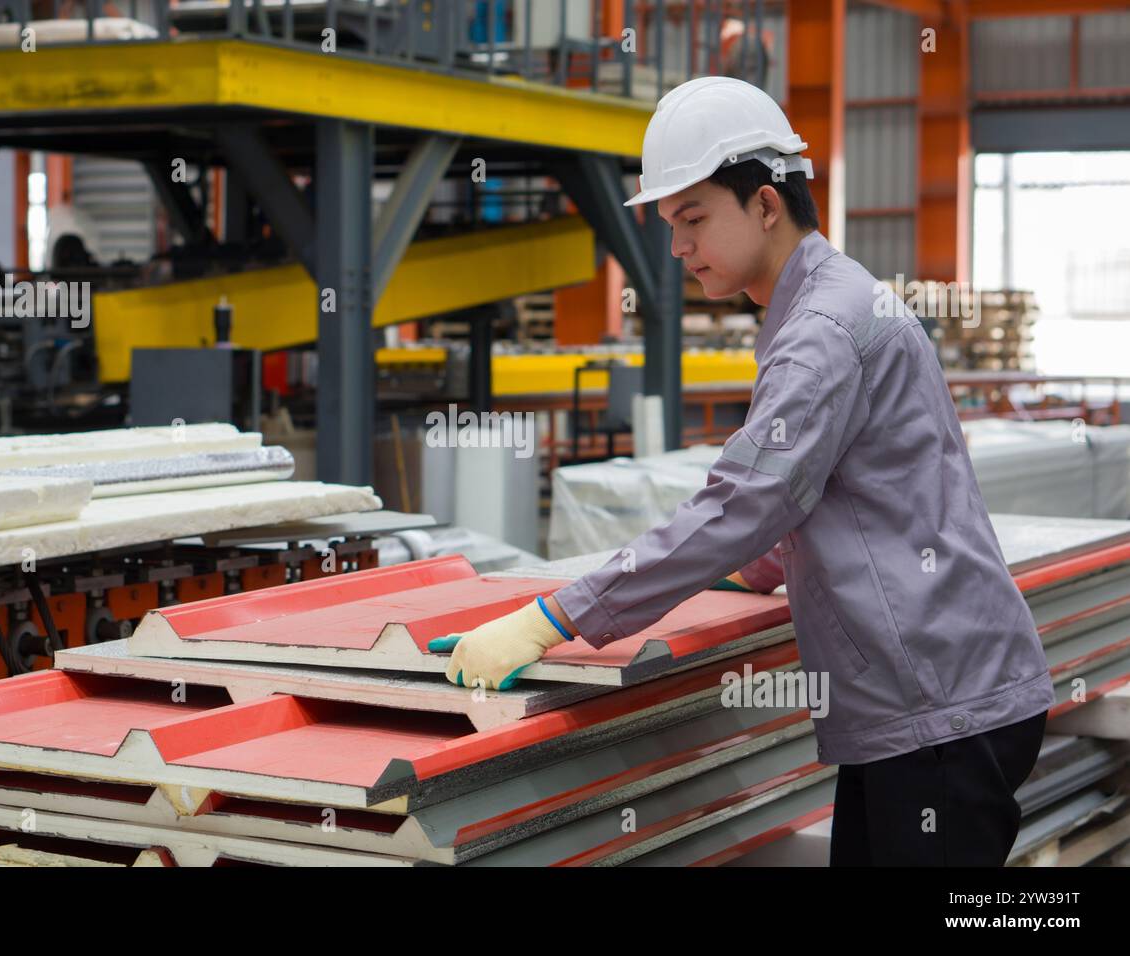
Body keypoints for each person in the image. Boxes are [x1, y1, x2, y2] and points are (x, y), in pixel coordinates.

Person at [428, 76, 1052, 866]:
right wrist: (749, 570)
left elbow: (749, 499)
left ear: (764, 204)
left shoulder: (822, 329)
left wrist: (551, 618)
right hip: (930, 701)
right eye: (669, 223)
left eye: (693, 219)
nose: (678, 246)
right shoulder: (825, 302)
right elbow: (824, 488)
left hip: (938, 708)